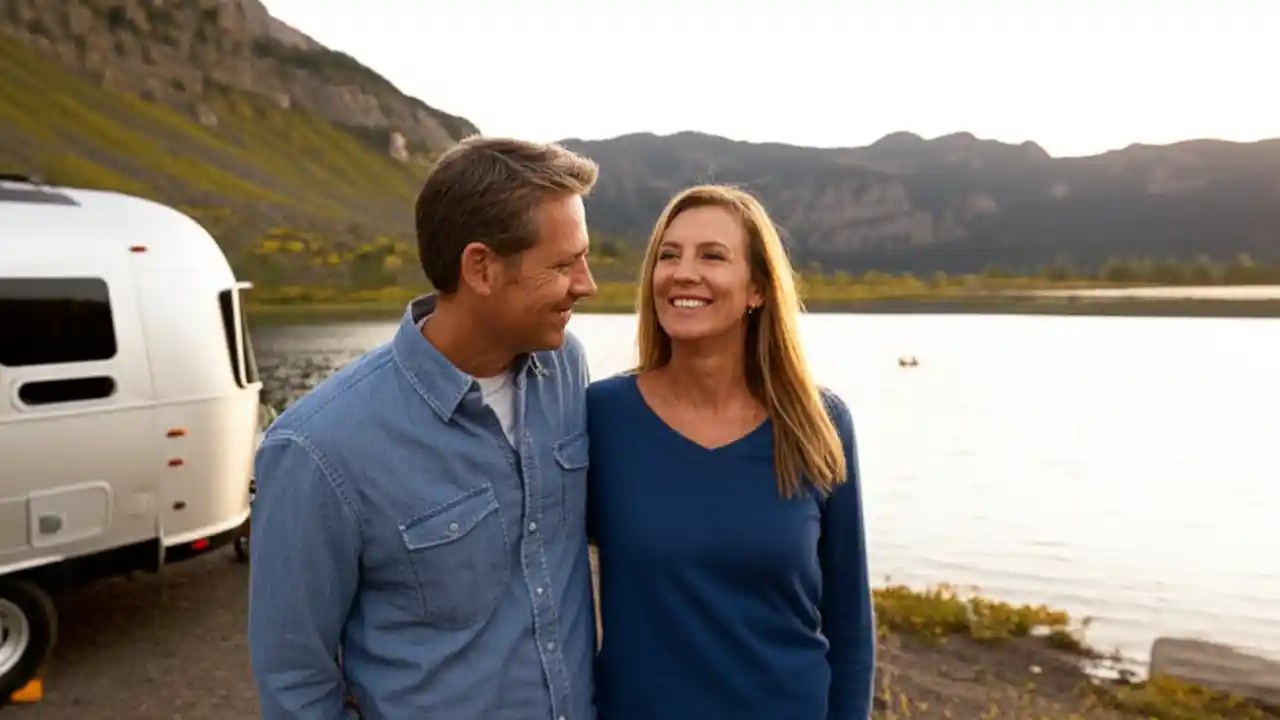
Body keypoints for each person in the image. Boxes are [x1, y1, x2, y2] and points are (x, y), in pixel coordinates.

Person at [248, 135, 601, 720]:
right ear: (480, 268)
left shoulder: (565, 366)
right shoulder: (317, 449)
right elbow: (293, 681)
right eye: (564, 264)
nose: (586, 283)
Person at [586, 185, 877, 718]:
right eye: (668, 256)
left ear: (758, 290)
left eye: (712, 256)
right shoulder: (601, 417)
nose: (683, 272)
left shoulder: (818, 422)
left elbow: (850, 625)